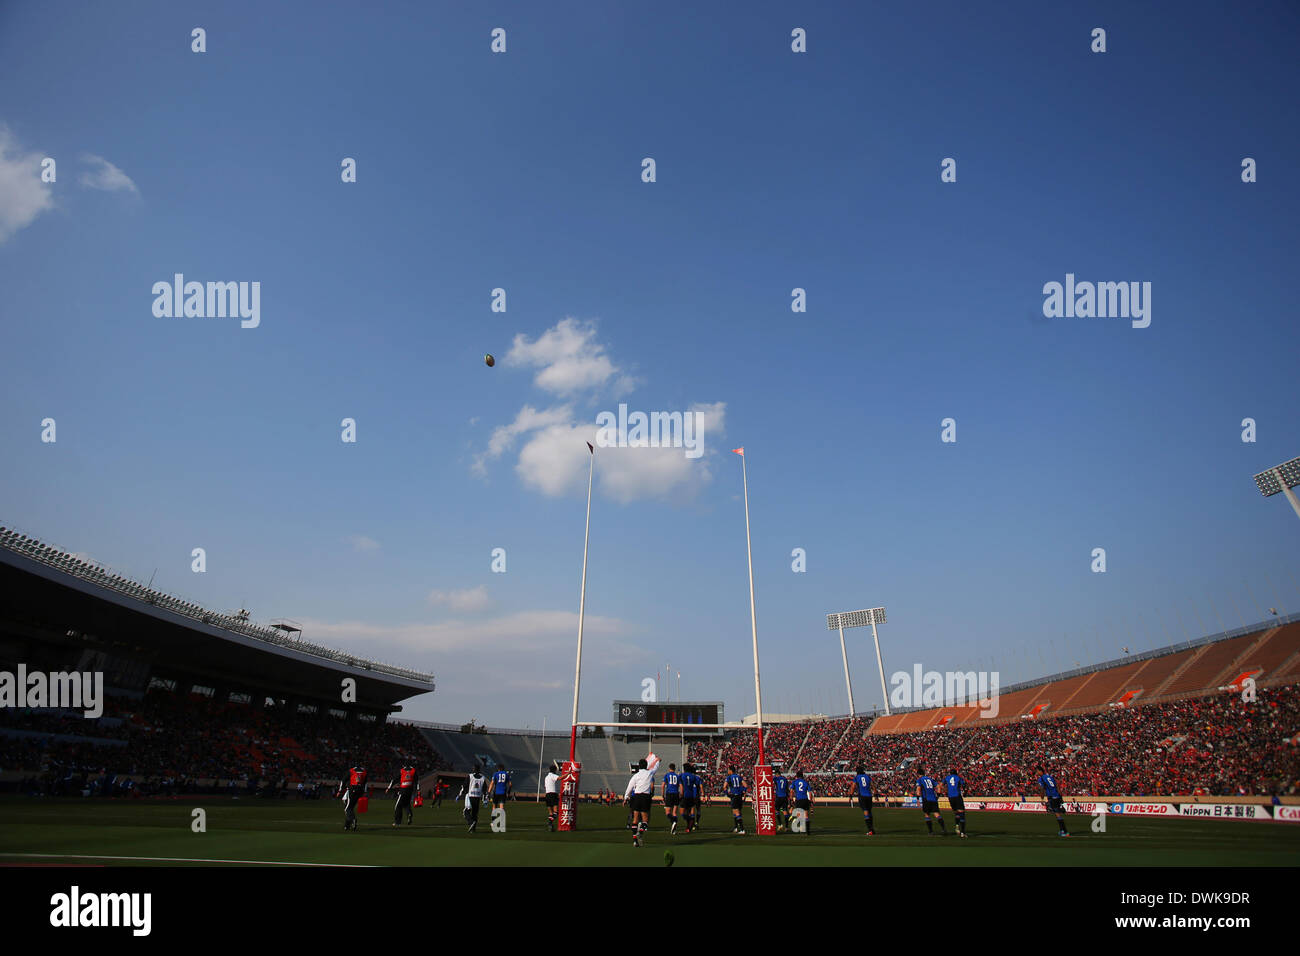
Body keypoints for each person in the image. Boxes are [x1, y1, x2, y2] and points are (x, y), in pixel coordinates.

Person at [623, 757, 657, 847]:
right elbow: (655, 768)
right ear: (646, 766)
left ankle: (634, 841)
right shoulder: (649, 773)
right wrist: (657, 761)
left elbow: (629, 787)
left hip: (636, 797)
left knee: (635, 819)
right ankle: (640, 832)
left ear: (639, 766)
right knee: (645, 820)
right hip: (645, 797)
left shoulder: (636, 775)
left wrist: (626, 798)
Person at [916, 766, 947, 835]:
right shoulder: (930, 779)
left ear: (918, 774)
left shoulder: (920, 780)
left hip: (926, 799)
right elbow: (938, 787)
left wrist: (917, 799)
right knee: (936, 814)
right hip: (933, 799)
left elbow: (918, 789)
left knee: (927, 814)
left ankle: (931, 831)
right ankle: (943, 829)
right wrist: (938, 796)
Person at [1038, 768, 1069, 836]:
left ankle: (1064, 831)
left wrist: (1042, 797)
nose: (1037, 773)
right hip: (1057, 795)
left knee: (1057, 814)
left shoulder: (1041, 779)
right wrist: (1060, 795)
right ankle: (1062, 830)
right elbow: (1056, 784)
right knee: (1057, 813)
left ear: (1041, 771)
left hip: (1052, 796)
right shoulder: (1049, 776)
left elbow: (1042, 788)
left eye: (1038, 771)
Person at [337, 764, 367, 831]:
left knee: (347, 808)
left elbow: (343, 780)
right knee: (350, 808)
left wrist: (340, 790)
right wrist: (364, 792)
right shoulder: (364, 772)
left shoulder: (352, 771)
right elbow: (365, 783)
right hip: (359, 791)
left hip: (351, 790)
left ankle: (352, 820)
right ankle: (347, 825)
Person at [851, 764, 875, 835]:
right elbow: (873, 785)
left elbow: (853, 786)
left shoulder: (857, 777)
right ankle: (872, 828)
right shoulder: (867, 776)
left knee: (865, 811)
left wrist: (850, 795)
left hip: (862, 796)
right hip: (869, 796)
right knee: (869, 811)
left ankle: (870, 830)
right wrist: (875, 793)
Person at [944, 769, 968, 838]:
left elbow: (941, 784)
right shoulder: (958, 778)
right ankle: (963, 832)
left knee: (956, 813)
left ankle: (957, 827)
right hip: (957, 796)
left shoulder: (947, 778)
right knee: (962, 813)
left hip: (950, 797)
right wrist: (965, 792)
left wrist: (945, 791)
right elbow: (964, 785)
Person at [724, 765, 747, 834]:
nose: (728, 771)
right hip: (739, 796)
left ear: (731, 770)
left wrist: (727, 794)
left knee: (736, 812)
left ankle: (742, 829)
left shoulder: (729, 777)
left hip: (734, 796)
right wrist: (743, 792)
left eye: (728, 770)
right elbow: (745, 785)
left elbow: (724, 786)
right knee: (737, 812)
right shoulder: (739, 777)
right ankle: (736, 828)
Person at [661, 763, 683, 834]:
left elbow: (663, 785)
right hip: (676, 794)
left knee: (668, 812)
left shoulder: (667, 775)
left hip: (669, 794)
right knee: (674, 812)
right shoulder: (677, 776)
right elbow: (681, 787)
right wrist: (681, 795)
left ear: (669, 768)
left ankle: (673, 821)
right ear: (675, 768)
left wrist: (662, 795)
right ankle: (674, 829)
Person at [464, 765, 486, 833]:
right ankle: (473, 829)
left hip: (470, 796)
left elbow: (465, 785)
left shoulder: (470, 776)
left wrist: (462, 793)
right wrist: (484, 798)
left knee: (466, 811)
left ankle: (471, 822)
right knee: (475, 813)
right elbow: (484, 788)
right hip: (478, 797)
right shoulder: (483, 777)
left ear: (474, 769)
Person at [543, 761, 561, 832]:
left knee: (550, 813)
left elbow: (545, 786)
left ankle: (551, 825)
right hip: (553, 794)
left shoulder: (546, 777)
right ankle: (550, 823)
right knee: (555, 812)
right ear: (554, 770)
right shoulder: (553, 775)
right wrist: (568, 774)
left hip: (547, 795)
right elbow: (560, 778)